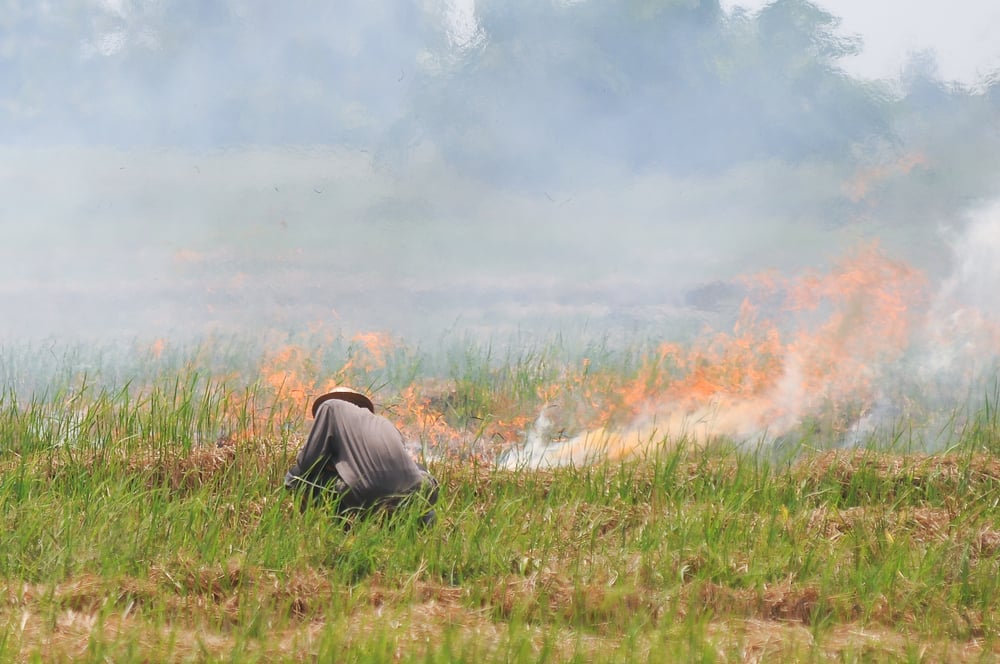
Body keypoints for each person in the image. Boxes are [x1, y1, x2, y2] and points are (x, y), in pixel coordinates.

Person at [284, 387, 439, 525]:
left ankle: (336, 527)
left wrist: (292, 479)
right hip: (417, 495)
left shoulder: (331, 407)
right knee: (418, 472)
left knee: (298, 478)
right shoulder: (386, 424)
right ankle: (418, 521)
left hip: (367, 495)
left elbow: (308, 463)